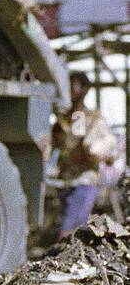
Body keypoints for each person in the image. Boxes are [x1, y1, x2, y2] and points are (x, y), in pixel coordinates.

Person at [53, 71, 117, 238]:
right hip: (65, 182)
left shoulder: (93, 119)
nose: (71, 90)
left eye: (74, 85)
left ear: (85, 89)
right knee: (70, 229)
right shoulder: (63, 120)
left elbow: (108, 150)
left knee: (69, 230)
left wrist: (96, 153)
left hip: (84, 181)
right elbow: (54, 146)